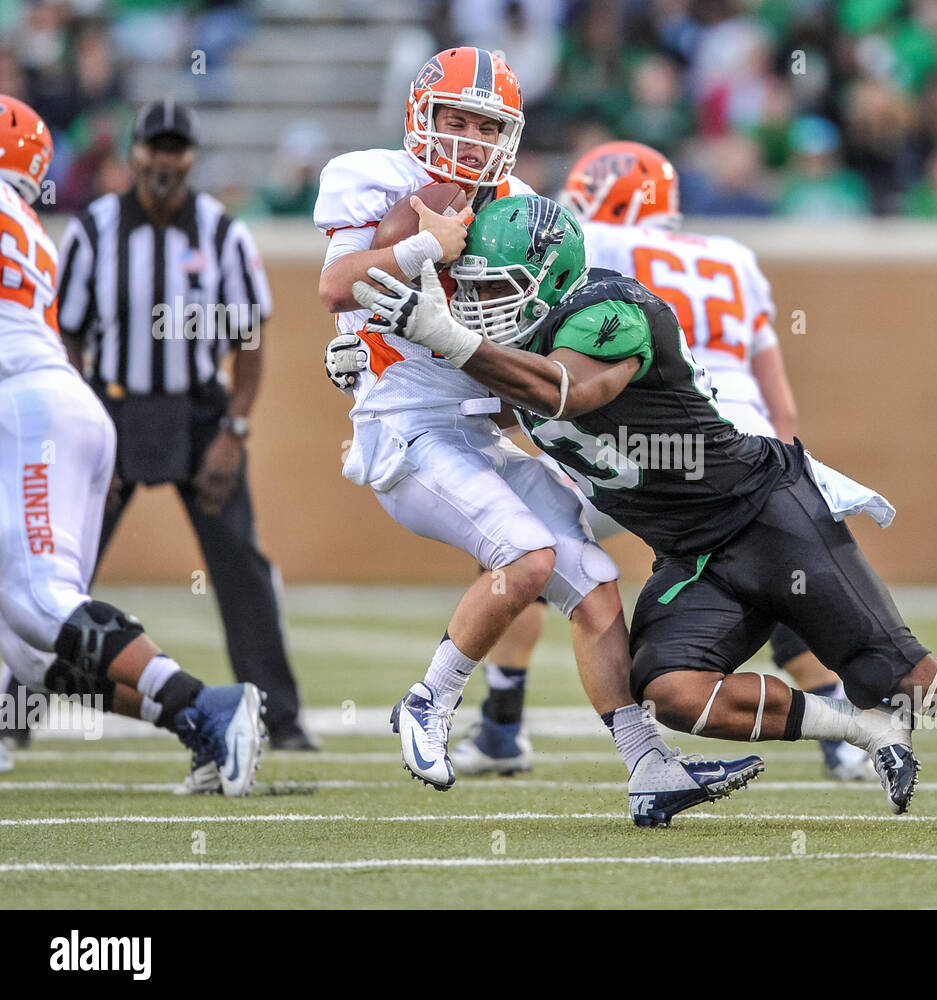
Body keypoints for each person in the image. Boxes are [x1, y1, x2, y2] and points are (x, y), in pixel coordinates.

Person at [353, 194, 937, 834]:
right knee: (669, 687)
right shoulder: (513, 343)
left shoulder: (615, 311)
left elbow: (567, 392)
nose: (480, 310)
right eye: (476, 297)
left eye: (497, 294)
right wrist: (374, 378)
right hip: (691, 551)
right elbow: (494, 404)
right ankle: (859, 730)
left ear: (550, 279)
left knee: (900, 676)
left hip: (767, 514)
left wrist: (450, 343)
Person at [318, 47, 768, 828]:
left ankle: (649, 767)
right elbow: (335, 283)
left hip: (483, 426)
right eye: (452, 119)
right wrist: (424, 252)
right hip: (405, 429)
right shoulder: (381, 179)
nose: (464, 137)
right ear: (420, 116)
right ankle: (427, 702)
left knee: (593, 582)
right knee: (526, 559)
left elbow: (524, 334)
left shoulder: (524, 205)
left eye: (482, 124)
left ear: (511, 134)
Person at [448, 141, 878, 784]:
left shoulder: (596, 247)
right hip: (746, 434)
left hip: (644, 431)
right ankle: (843, 731)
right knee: (770, 568)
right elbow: (778, 398)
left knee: (526, 542)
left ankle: (503, 723)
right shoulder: (734, 257)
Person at [0, 94, 264, 794]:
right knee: (25, 649)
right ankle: (193, 723)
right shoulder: (36, 226)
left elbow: (250, 334)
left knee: (39, 602)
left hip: (33, 410)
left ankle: (212, 704)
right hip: (68, 408)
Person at [54, 99, 315, 752]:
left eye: (176, 149)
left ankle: (280, 718)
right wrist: (88, 430)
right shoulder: (94, 229)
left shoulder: (223, 232)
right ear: (134, 154)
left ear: (190, 157)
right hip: (112, 410)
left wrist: (233, 431)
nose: (164, 161)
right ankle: (16, 707)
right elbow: (69, 337)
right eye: (154, 148)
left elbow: (250, 340)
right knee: (59, 565)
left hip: (199, 411)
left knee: (240, 564)